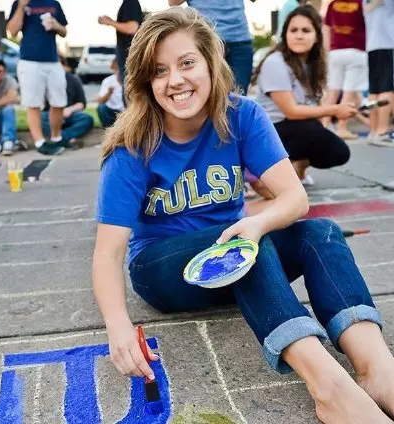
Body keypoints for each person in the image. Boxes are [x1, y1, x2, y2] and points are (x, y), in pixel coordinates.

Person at [93, 8, 394, 423]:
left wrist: (256, 223)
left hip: (237, 253)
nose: (175, 80)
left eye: (186, 63)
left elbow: (293, 198)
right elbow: (108, 252)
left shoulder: (241, 115)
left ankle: (377, 368)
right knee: (247, 245)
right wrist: (118, 327)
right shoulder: (131, 146)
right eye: (159, 71)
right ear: (146, 82)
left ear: (211, 64)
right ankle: (329, 386)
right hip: (162, 269)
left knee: (319, 232)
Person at [252, 6, 354, 186]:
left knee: (338, 151)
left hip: (295, 129)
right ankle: (266, 173)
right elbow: (291, 111)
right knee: (311, 130)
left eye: (306, 30)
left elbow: (314, 104)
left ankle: (297, 169)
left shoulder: (313, 65)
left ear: (317, 36)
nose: (299, 35)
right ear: (285, 34)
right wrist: (336, 109)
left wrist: (325, 120)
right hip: (268, 131)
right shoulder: (276, 62)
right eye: (293, 30)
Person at [7, 0, 68, 156]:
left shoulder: (54, 3)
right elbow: (12, 31)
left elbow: (64, 31)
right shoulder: (20, 3)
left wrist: (56, 25)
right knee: (33, 103)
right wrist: (21, 7)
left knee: (59, 100)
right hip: (29, 61)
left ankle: (56, 138)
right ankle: (40, 142)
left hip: (53, 59)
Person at [168, 0, 253, 95]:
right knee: (207, 94)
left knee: (238, 97)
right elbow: (173, 2)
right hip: (206, 40)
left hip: (240, 39)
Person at [321, 0, 368, 139]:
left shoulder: (333, 4)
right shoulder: (361, 3)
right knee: (349, 92)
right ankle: (342, 127)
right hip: (357, 51)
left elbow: (326, 29)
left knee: (332, 91)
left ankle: (324, 125)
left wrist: (327, 52)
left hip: (336, 51)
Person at [98, 0, 144, 105]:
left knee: (131, 98)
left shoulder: (130, 2)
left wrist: (110, 22)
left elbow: (132, 27)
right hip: (126, 59)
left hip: (130, 59)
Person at [42, 56, 94, 148]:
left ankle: (60, 139)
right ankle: (67, 139)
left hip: (70, 114)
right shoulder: (44, 81)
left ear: (64, 65)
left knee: (87, 119)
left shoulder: (74, 80)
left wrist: (69, 110)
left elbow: (82, 103)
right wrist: (56, 114)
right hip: (50, 114)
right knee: (39, 119)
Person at [363, 0, 394, 147]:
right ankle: (382, 131)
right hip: (388, 43)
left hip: (372, 46)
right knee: (387, 88)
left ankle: (374, 131)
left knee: (374, 90)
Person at [97, 58, 124, 128]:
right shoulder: (108, 81)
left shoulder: (130, 81)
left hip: (126, 111)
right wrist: (109, 93)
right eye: (116, 69)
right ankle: (108, 128)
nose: (118, 72)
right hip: (112, 111)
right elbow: (100, 101)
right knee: (101, 108)